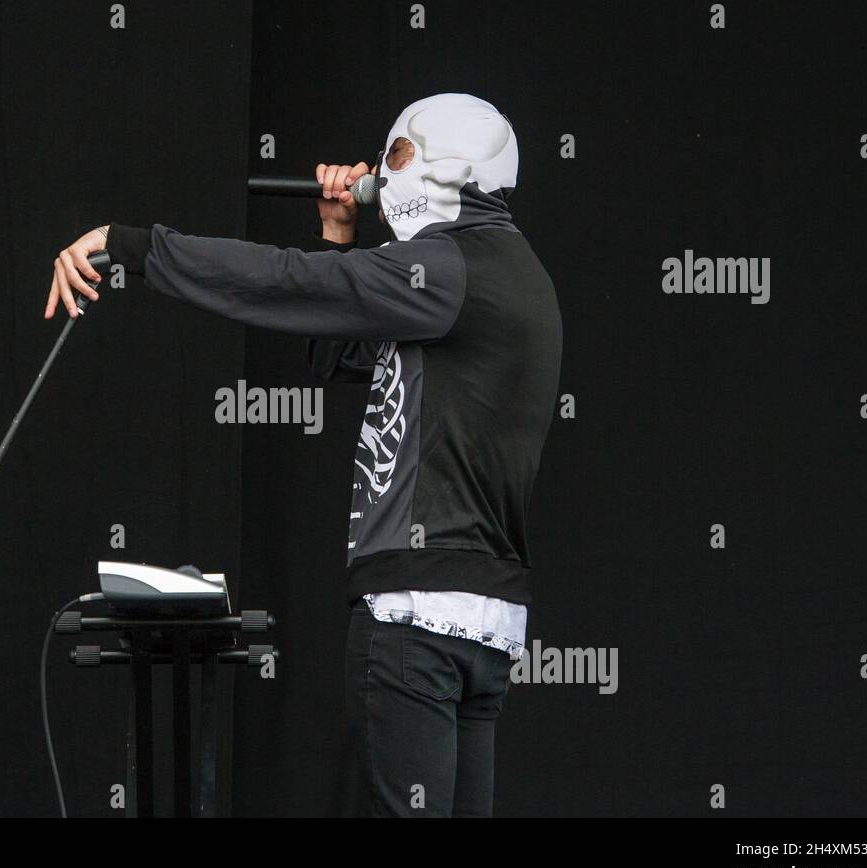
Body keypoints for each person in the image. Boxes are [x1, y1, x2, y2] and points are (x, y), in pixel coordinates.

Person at [46, 93, 562, 817]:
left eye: (400, 156)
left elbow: (286, 282)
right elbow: (343, 348)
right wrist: (340, 235)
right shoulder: (506, 272)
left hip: (415, 616)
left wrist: (130, 245)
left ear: (452, 167)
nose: (384, 172)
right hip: (483, 621)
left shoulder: (444, 270)